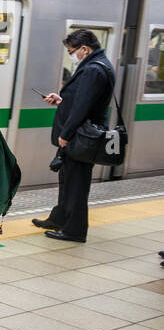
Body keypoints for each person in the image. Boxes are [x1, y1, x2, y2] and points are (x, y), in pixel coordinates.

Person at [32, 30, 116, 243]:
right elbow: (81, 100)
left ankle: (75, 230)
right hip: (81, 133)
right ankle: (60, 218)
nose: (72, 55)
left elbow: (83, 107)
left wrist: (66, 134)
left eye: (72, 52)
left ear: (85, 49)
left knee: (77, 183)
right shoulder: (97, 65)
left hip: (80, 136)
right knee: (68, 179)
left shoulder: (94, 69)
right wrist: (62, 100)